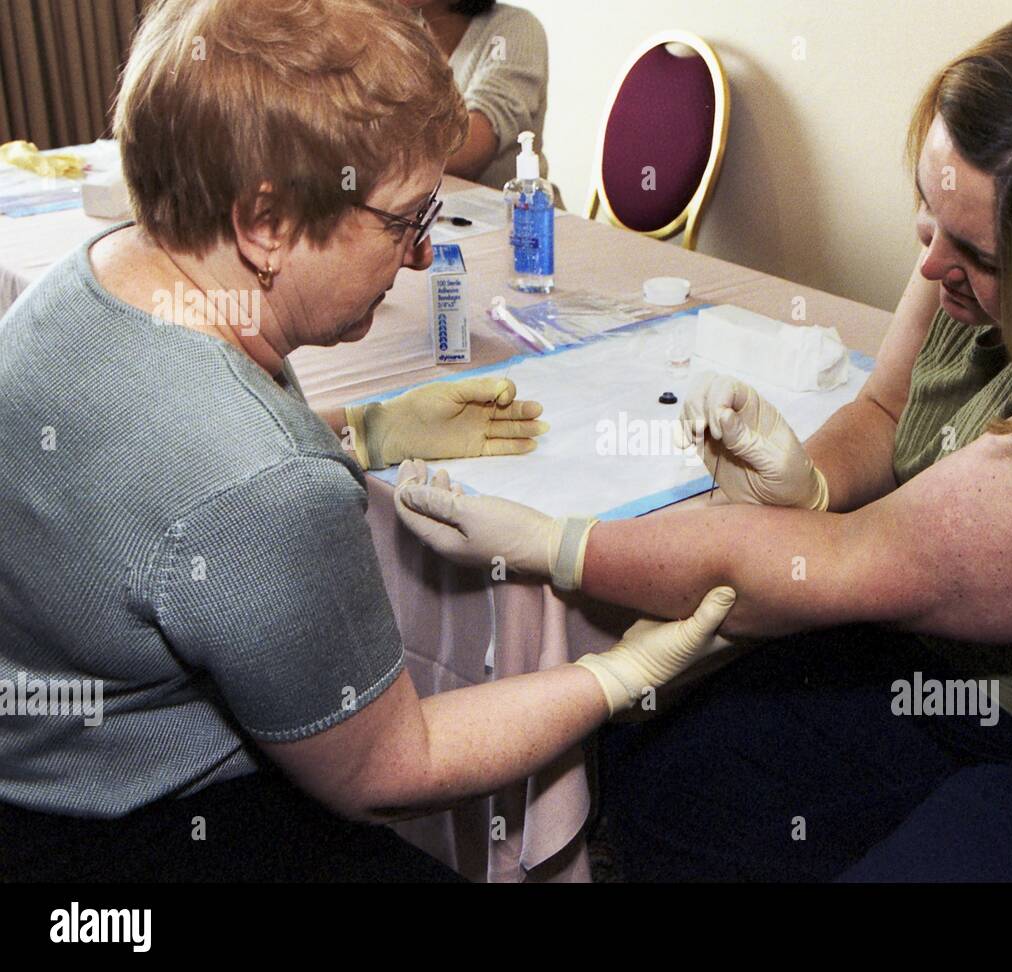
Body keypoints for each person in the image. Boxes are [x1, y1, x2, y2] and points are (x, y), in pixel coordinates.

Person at [393, 0, 1012, 881]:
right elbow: (884, 411)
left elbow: (855, 561)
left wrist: (559, 544)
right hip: (965, 676)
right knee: (676, 773)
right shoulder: (981, 223)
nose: (930, 264)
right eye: (926, 215)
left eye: (978, 257)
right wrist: (812, 482)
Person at [0, 0, 732, 883]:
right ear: (265, 224)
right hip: (120, 834)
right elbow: (388, 770)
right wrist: (613, 676)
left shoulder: (97, 273)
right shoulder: (268, 484)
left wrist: (366, 428)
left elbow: (158, 473)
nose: (422, 257)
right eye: (405, 221)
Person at [399, 0, 550, 189]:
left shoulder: (516, 29)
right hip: (422, 211)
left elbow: (468, 150)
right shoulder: (400, 30)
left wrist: (372, 157)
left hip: (516, 213)